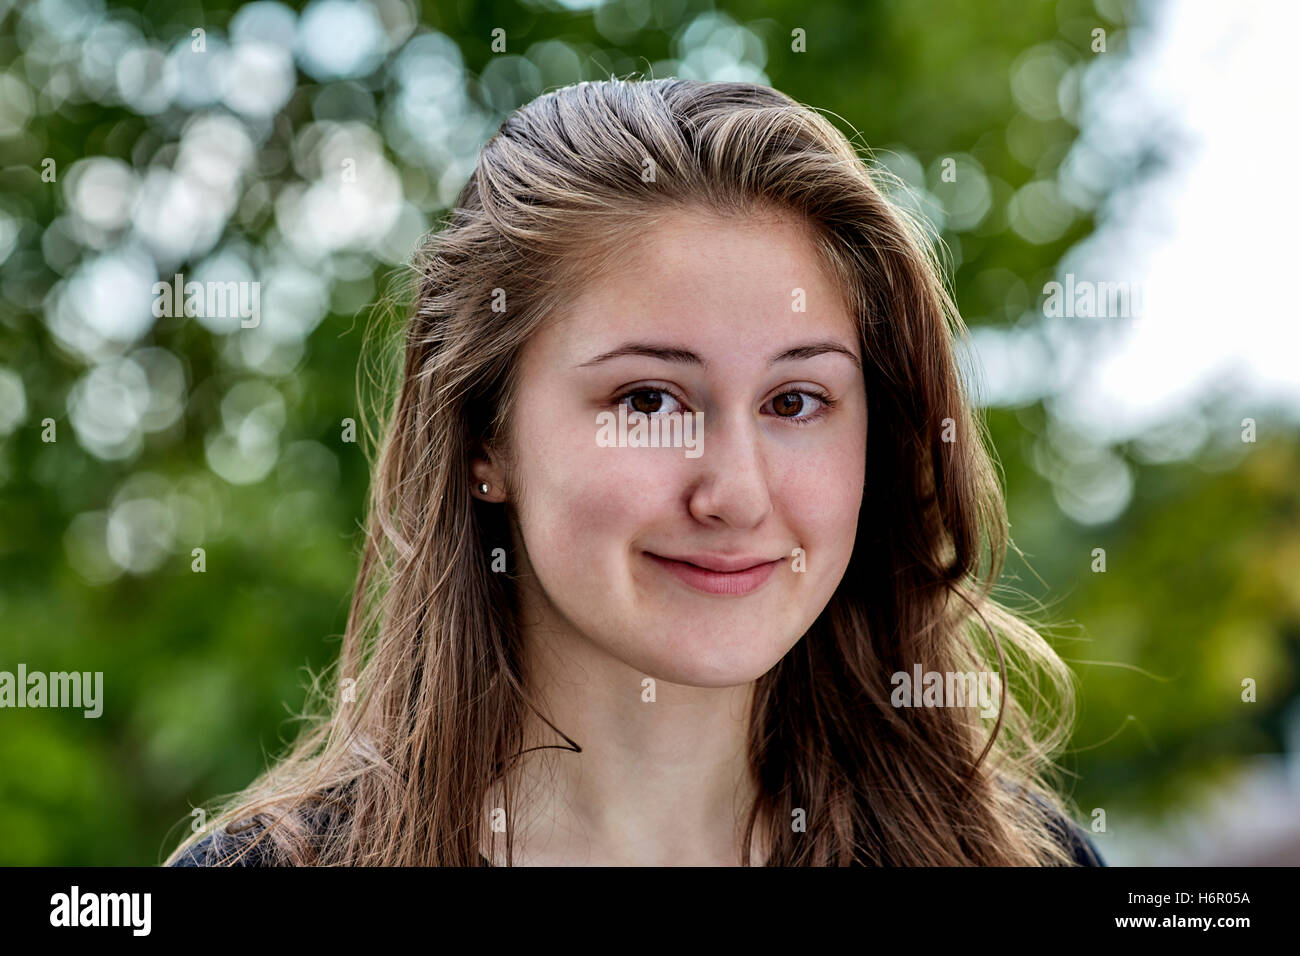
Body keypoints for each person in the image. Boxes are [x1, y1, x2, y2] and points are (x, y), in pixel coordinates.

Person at [165, 77, 1104, 867]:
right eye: (649, 401)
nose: (735, 495)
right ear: (482, 440)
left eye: (795, 402)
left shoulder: (1018, 855)